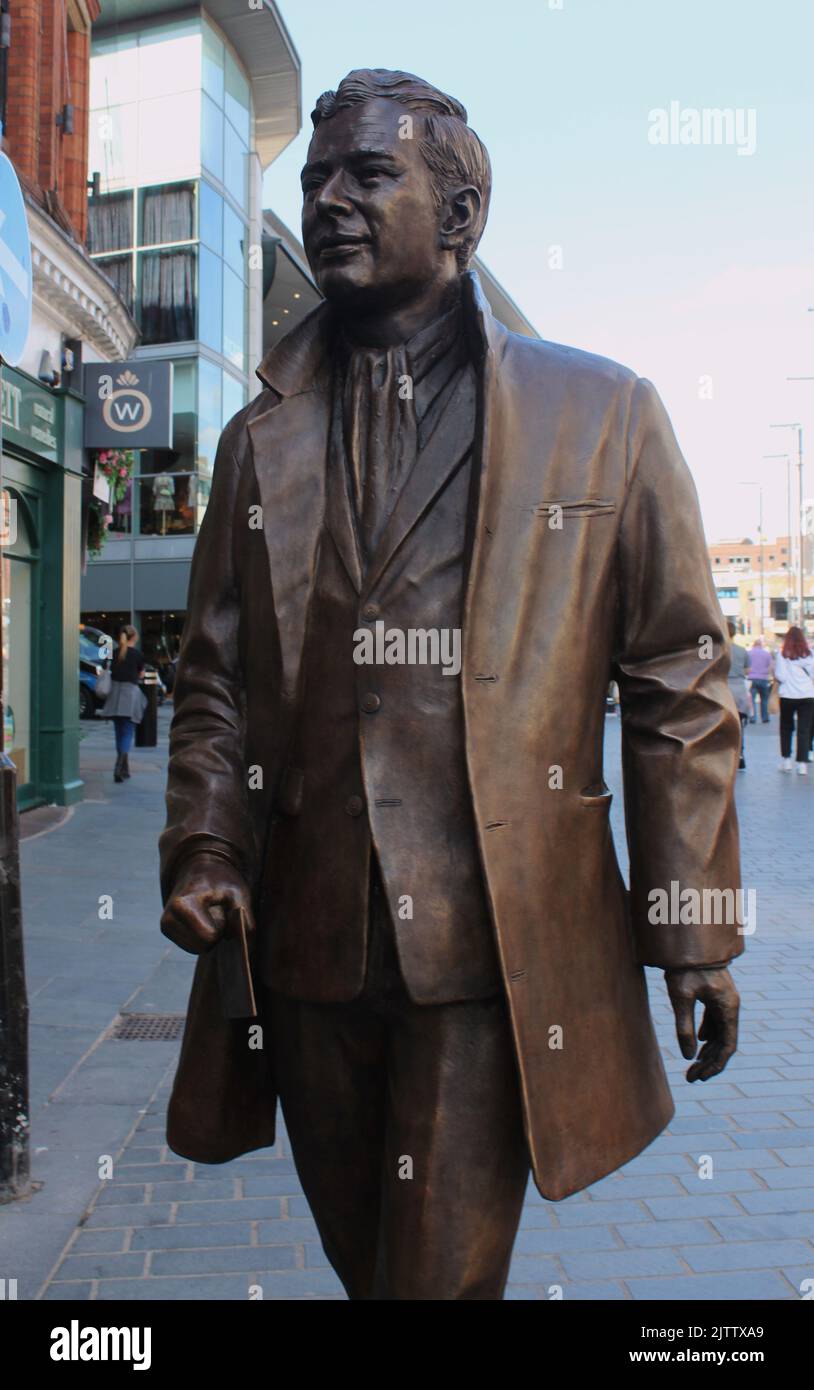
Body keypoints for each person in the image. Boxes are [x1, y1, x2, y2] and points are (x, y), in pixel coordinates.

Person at [158, 68, 743, 1301]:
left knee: (436, 1280)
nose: (330, 202)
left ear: (462, 215)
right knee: (370, 1266)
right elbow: (214, 674)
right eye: (316, 179)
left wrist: (690, 927)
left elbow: (677, 675)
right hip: (309, 944)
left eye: (369, 175)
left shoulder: (599, 416)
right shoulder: (256, 436)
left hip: (494, 943)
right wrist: (204, 847)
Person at [101, 624, 147, 783]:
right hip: (130, 695)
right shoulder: (138, 655)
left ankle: (123, 768)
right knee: (127, 732)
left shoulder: (113, 653)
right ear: (134, 637)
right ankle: (119, 767)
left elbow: (104, 667)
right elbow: (141, 674)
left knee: (119, 732)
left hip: (114, 694)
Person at [774, 625, 814, 774]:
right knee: (804, 730)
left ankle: (786, 761)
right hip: (807, 695)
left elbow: (781, 677)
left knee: (786, 728)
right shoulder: (810, 655)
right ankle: (802, 764)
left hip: (787, 695)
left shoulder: (782, 654)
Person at [727, 621, 750, 769]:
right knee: (739, 724)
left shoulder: (712, 649)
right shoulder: (742, 651)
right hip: (739, 689)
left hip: (722, 688)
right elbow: (747, 671)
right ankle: (740, 756)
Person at [745, 635, 773, 723]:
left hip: (751, 678)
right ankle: (765, 717)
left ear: (753, 645)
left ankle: (753, 717)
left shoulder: (748, 653)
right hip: (764, 678)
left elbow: (746, 667)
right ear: (761, 645)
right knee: (764, 699)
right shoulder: (767, 654)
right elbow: (771, 666)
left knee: (751, 699)